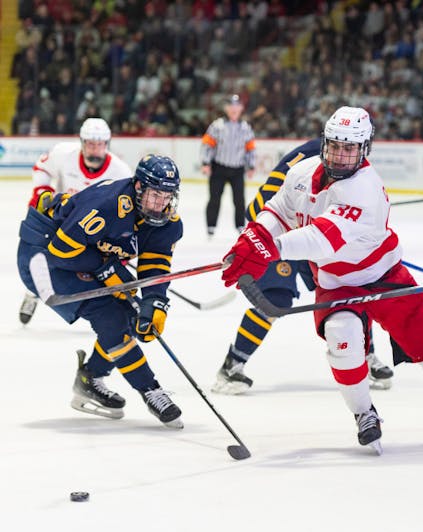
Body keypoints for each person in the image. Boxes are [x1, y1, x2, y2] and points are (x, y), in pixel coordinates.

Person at [219, 106, 423, 453]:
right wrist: (255, 235)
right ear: (325, 143)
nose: (342, 155)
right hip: (337, 282)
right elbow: (278, 210)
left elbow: (322, 239)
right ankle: (364, 413)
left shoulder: (365, 187)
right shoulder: (302, 172)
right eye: (336, 146)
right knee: (341, 338)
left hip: (386, 278)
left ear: (365, 149)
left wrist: (268, 249)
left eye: (351, 148)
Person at [212, 138, 394, 394]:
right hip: (282, 237)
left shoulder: (356, 164)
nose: (344, 152)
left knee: (350, 289)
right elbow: (264, 205)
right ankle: (233, 364)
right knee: (275, 300)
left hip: (317, 241)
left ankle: (365, 356)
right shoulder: (305, 157)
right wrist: (263, 239)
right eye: (339, 144)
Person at [17, 155, 185, 428]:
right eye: (155, 195)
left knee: (132, 313)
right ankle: (150, 390)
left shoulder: (165, 220)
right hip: (43, 256)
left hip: (86, 256)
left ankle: (91, 378)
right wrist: (107, 270)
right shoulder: (107, 205)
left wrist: (155, 301)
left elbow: (155, 263)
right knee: (111, 317)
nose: (161, 204)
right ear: (139, 187)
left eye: (167, 196)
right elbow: (61, 252)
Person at [19, 118, 132, 325]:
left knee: (84, 269)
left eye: (100, 145)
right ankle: (32, 292)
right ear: (82, 142)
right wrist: (42, 192)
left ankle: (99, 309)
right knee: (41, 258)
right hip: (61, 221)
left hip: (93, 231)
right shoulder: (64, 153)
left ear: (107, 144)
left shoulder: (120, 171)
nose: (95, 149)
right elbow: (41, 168)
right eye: (90, 144)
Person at [200, 94, 256, 237]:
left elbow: (250, 149)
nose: (234, 109)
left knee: (239, 199)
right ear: (226, 108)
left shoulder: (245, 128)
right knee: (214, 198)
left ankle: (239, 225)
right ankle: (211, 225)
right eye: (231, 106)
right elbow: (207, 145)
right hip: (219, 167)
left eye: (237, 106)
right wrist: (206, 162)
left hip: (237, 169)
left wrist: (251, 166)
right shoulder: (217, 125)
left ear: (241, 109)